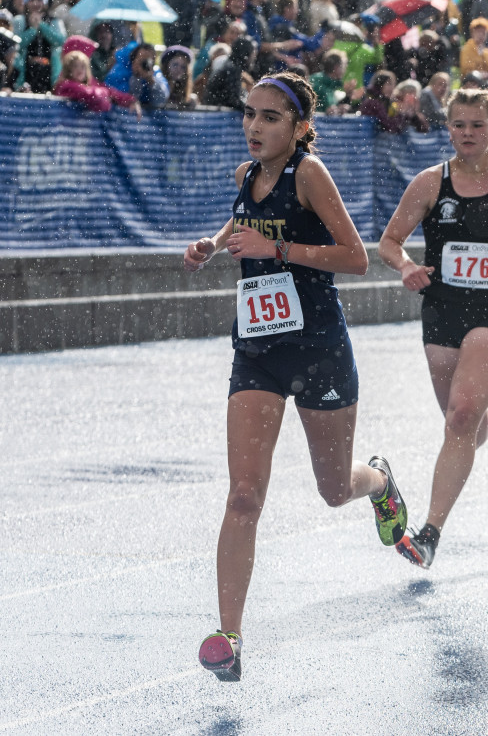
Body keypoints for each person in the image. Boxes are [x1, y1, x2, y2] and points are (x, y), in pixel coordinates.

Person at [182, 72, 409, 681]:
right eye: (249, 114)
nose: (255, 127)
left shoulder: (310, 175)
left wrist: (277, 252)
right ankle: (228, 635)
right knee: (244, 494)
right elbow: (242, 226)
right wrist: (214, 242)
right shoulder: (244, 176)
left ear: (300, 127)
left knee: (334, 489)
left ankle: (380, 482)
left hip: (317, 349)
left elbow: (356, 258)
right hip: (257, 349)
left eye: (270, 117)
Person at [378, 87, 488, 569]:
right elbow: (390, 241)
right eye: (459, 124)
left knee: (459, 419)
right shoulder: (429, 184)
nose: (468, 133)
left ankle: (430, 532)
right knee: (465, 430)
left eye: (478, 125)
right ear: (448, 128)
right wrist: (406, 267)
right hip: (442, 312)